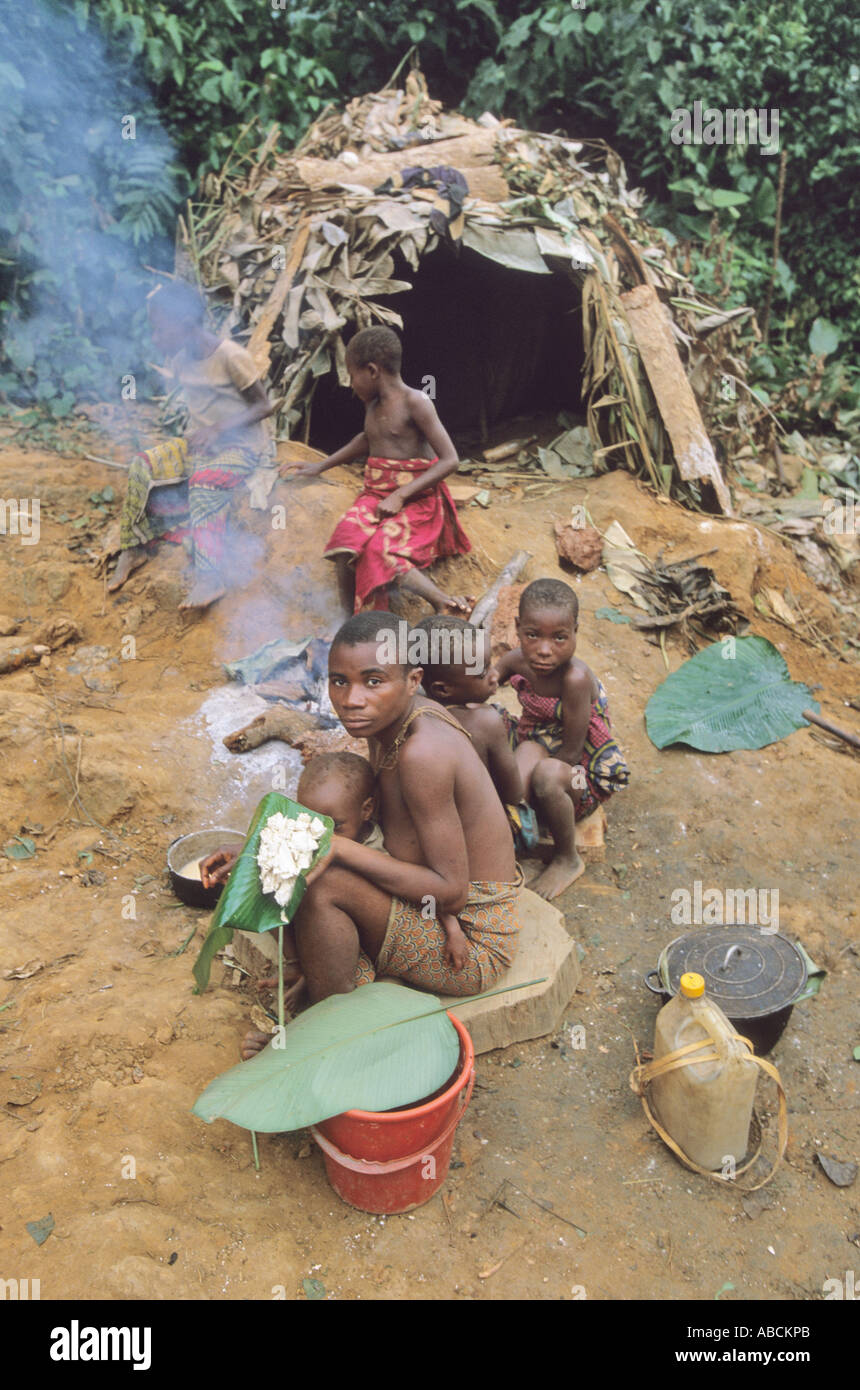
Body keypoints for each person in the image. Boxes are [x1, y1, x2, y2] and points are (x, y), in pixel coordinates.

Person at [235, 613, 522, 1051]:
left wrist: (340, 851)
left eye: (373, 681)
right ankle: (327, 990)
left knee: (322, 885)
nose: (352, 700)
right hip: (430, 906)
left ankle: (334, 1043)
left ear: (413, 681)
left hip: (471, 940)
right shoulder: (389, 722)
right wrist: (247, 848)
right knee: (283, 866)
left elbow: (451, 894)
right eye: (338, 681)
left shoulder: (422, 753)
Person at [281, 326, 473, 617]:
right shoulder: (372, 405)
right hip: (375, 493)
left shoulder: (416, 402)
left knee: (379, 549)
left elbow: (450, 460)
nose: (350, 383)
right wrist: (321, 465)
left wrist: (401, 495)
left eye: (351, 374)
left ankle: (441, 600)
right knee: (345, 541)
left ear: (371, 371)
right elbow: (368, 437)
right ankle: (349, 620)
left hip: (417, 498)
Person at [108, 280, 275, 610]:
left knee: (204, 483)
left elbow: (264, 406)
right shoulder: (181, 359)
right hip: (199, 444)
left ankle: (210, 577)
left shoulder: (230, 356)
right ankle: (134, 547)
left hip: (241, 448)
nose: (155, 339)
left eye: (159, 330)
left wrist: (218, 429)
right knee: (143, 463)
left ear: (184, 323)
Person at [495, 578, 629, 901]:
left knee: (544, 775)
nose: (544, 649)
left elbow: (570, 752)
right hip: (538, 742)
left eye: (559, 638)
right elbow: (484, 685)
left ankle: (567, 857)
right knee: (504, 738)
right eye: (532, 635)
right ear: (517, 629)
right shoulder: (516, 660)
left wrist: (534, 787)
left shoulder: (575, 679)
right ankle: (509, 828)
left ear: (575, 632)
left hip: (580, 770)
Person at [411, 614, 525, 812]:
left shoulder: (413, 709)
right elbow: (513, 794)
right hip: (486, 823)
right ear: (443, 690)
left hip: (441, 818)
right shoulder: (485, 721)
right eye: (483, 673)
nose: (495, 675)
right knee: (532, 750)